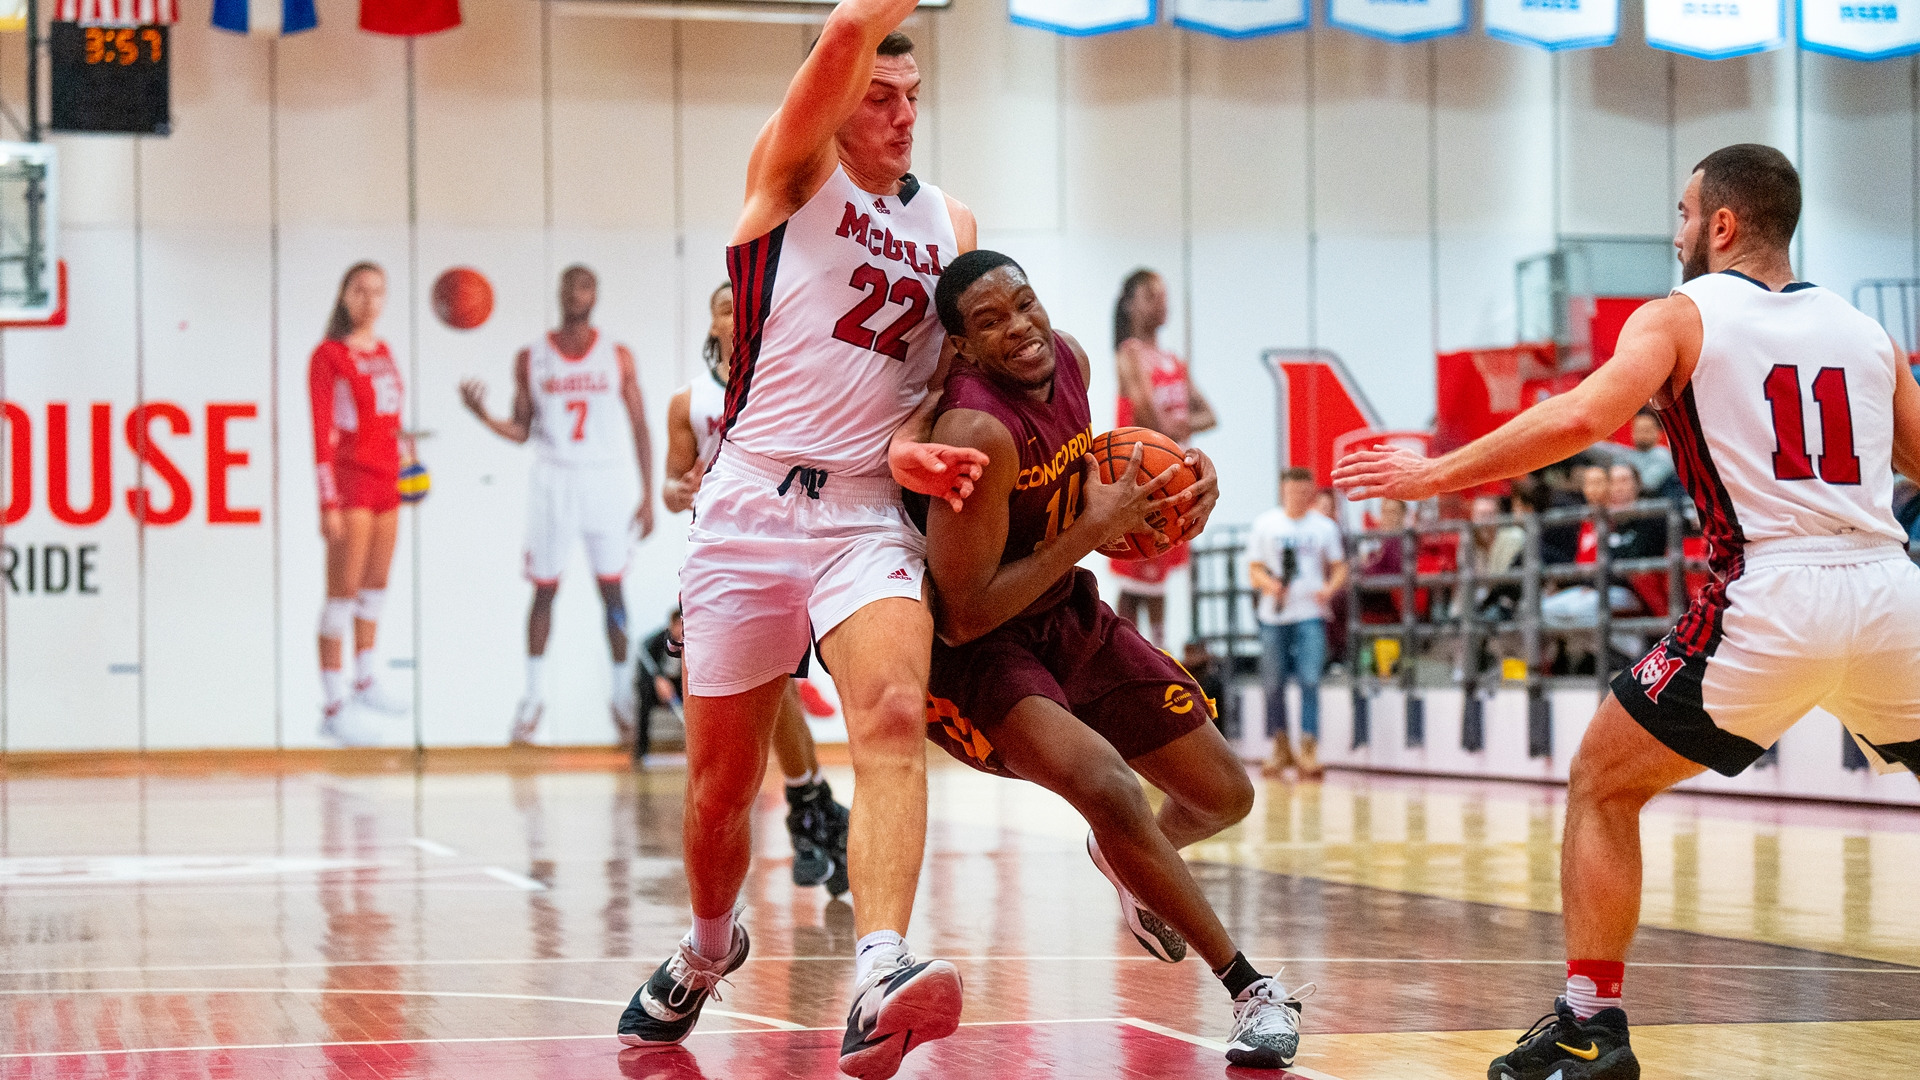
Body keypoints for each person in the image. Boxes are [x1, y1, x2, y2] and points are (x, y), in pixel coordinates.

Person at [1333, 144, 1920, 1080]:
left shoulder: (1678, 315)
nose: (1677, 232)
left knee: (1604, 783)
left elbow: (1579, 419)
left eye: (1684, 215)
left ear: (1721, 225)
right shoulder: (1868, 333)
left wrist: (1430, 475)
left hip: (1772, 590)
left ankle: (1588, 1024)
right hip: (1892, 588)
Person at [617, 12, 990, 1080]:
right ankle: (706, 943)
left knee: (892, 714)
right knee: (720, 793)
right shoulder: (790, 172)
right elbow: (844, 30)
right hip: (748, 507)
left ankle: (880, 971)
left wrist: (915, 448)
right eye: (881, 95)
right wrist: (865, 35)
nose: (904, 114)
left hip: (867, 512)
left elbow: (936, 383)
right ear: (834, 101)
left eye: (914, 95)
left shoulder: (952, 224)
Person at [922, 251, 1302, 1070]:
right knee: (1108, 786)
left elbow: (1104, 479)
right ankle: (1249, 988)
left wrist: (1180, 487)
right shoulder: (974, 431)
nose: (1020, 328)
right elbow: (961, 616)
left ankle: (1123, 861)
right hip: (983, 654)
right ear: (962, 348)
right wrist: (1095, 531)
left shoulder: (1074, 360)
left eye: (1023, 304)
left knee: (1223, 795)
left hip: (1067, 612)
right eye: (990, 322)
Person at [658, 283, 852, 895]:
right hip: (720, 556)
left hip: (794, 543)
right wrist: (680, 490)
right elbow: (667, 485)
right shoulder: (689, 401)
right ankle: (810, 804)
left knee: (773, 684)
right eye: (722, 305)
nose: (734, 313)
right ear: (712, 327)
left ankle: (811, 803)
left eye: (742, 303)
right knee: (753, 690)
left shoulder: (785, 383)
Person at [458, 266, 654, 747]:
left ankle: (619, 694)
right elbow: (522, 429)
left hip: (605, 479)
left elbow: (641, 425)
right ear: (560, 294)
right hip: (553, 480)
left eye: (585, 285)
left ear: (596, 294)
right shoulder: (532, 357)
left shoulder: (617, 356)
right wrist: (484, 417)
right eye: (569, 286)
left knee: (613, 591)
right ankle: (532, 697)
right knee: (544, 591)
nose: (576, 293)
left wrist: (648, 495)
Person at [310, 262, 410, 744]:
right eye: (360, 291)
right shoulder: (329, 356)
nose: (370, 300)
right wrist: (326, 500)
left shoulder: (385, 351)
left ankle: (365, 677)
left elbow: (392, 417)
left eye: (378, 291)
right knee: (342, 593)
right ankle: (332, 704)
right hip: (350, 482)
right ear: (345, 295)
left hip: (388, 478)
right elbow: (321, 429)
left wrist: (409, 459)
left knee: (376, 585)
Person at [1107, 268, 1219, 647]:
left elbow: (1210, 414)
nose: (1162, 302)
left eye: (1165, 294)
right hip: (1137, 480)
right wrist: (1178, 426)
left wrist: (1176, 424)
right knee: (1133, 578)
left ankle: (1158, 650)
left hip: (1172, 477)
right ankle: (1122, 653)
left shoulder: (1171, 359)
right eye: (1153, 294)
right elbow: (1144, 414)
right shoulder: (1129, 354)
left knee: (1157, 579)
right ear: (1133, 302)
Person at [1248, 467, 1347, 779]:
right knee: (1273, 683)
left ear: (1311, 492)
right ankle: (1280, 745)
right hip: (1274, 615)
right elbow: (1254, 568)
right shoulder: (1266, 525)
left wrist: (1329, 589)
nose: (1298, 497)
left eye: (1304, 492)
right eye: (1292, 491)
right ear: (1283, 491)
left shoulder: (1324, 528)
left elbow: (1339, 566)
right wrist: (1270, 585)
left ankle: (1308, 747)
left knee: (1310, 680)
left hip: (1310, 614)